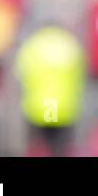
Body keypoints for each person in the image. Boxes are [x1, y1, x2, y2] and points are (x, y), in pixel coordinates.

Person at [14, 25, 86, 157]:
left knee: (39, 148)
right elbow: (80, 73)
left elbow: (21, 73)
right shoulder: (69, 44)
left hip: (40, 107)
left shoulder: (33, 44)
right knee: (60, 149)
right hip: (63, 107)